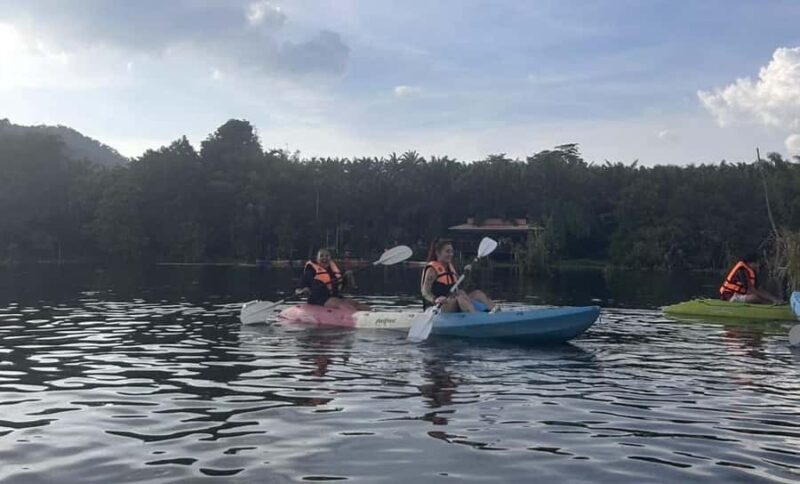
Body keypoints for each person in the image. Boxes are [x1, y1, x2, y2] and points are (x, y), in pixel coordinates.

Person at [420, 238, 496, 313]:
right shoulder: (432, 270)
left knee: (477, 294)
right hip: (436, 308)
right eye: (447, 252)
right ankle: (476, 316)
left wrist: (467, 274)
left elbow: (461, 287)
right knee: (460, 296)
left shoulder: (450, 267)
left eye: (452, 251)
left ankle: (496, 313)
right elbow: (425, 292)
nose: (451, 254)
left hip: (452, 302)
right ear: (437, 253)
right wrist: (435, 299)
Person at [297, 248, 370, 311]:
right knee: (341, 304)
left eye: (327, 256)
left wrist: (348, 276)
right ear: (317, 259)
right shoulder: (310, 271)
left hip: (335, 297)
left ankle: (375, 314)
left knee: (355, 303)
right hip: (318, 299)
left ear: (330, 258)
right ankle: (357, 317)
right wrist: (303, 290)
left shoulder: (334, 271)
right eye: (321, 256)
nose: (324, 258)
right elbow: (299, 289)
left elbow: (351, 287)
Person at [719, 253, 783, 304]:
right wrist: (772, 300)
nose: (758, 265)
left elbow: (759, 289)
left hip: (740, 295)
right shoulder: (742, 269)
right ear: (751, 263)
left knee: (761, 297)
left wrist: (774, 299)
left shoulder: (752, 271)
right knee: (756, 298)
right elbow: (751, 290)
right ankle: (771, 307)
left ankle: (775, 304)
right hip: (730, 296)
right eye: (757, 263)